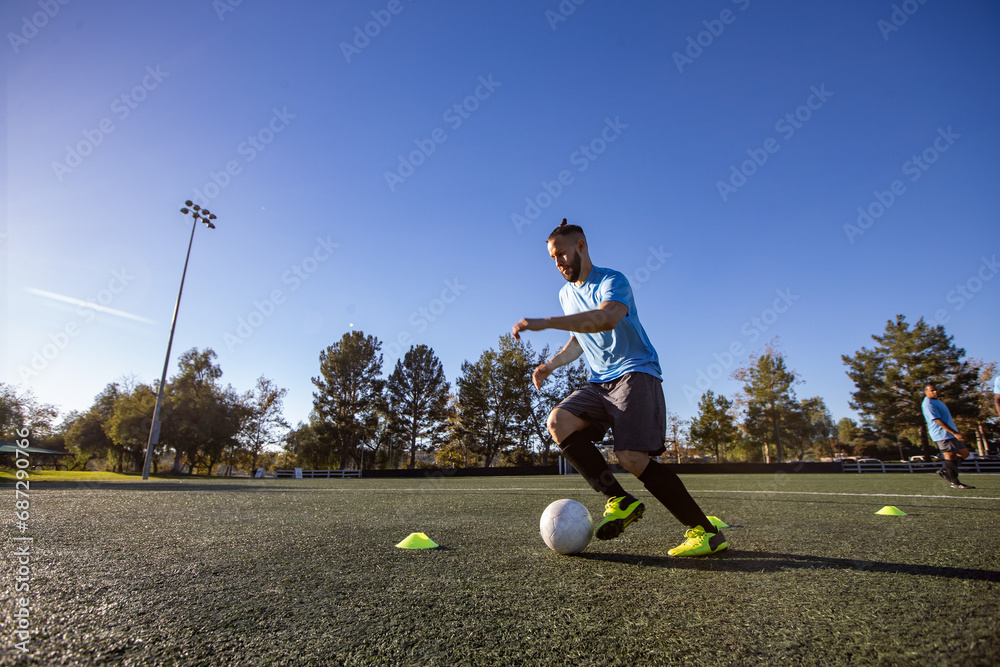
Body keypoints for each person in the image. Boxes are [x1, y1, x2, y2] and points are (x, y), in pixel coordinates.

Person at [512, 220, 727, 557]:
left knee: (631, 458)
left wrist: (546, 322)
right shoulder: (566, 294)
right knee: (559, 421)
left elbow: (606, 318)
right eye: (553, 258)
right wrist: (550, 365)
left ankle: (706, 532)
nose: (558, 263)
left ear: (581, 246)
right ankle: (619, 500)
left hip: (634, 372)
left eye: (562, 254)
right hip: (600, 383)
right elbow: (580, 338)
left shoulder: (612, 281)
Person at [921, 383, 974, 490]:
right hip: (942, 434)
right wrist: (955, 433)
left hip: (951, 433)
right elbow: (937, 420)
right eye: (932, 390)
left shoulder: (937, 401)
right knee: (950, 456)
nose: (935, 392)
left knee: (964, 453)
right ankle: (955, 483)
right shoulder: (928, 404)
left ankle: (946, 470)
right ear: (926, 392)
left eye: (936, 389)